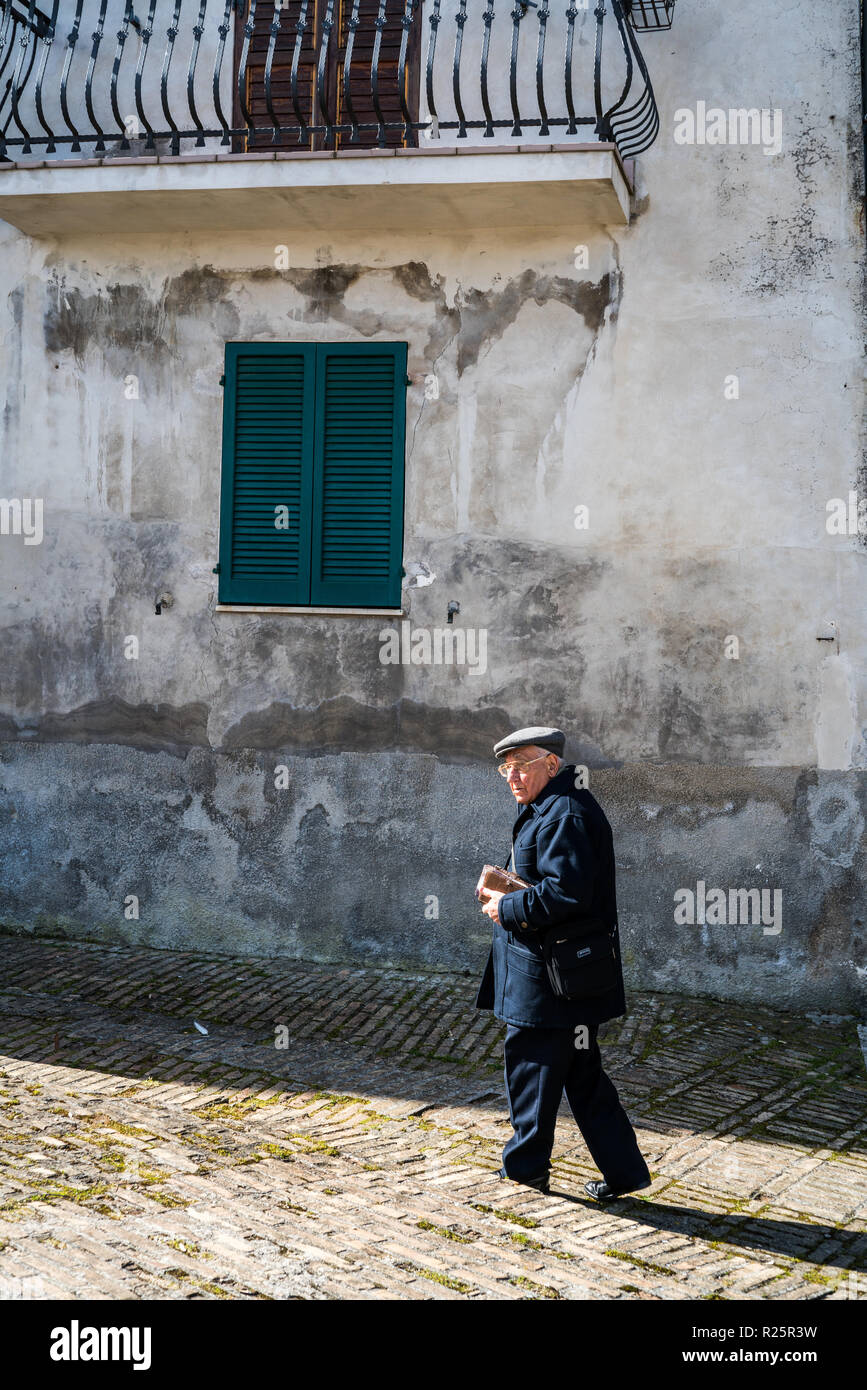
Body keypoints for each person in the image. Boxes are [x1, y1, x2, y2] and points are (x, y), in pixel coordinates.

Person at [475, 725, 652, 1201]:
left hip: (548, 978)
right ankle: (625, 1172)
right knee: (582, 1074)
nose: (511, 776)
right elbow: (551, 880)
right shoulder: (547, 807)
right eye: (505, 768)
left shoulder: (563, 814)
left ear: (551, 766)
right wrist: (506, 884)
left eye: (521, 765)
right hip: (560, 972)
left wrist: (505, 908)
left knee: (531, 1066)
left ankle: (526, 1168)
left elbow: (567, 893)